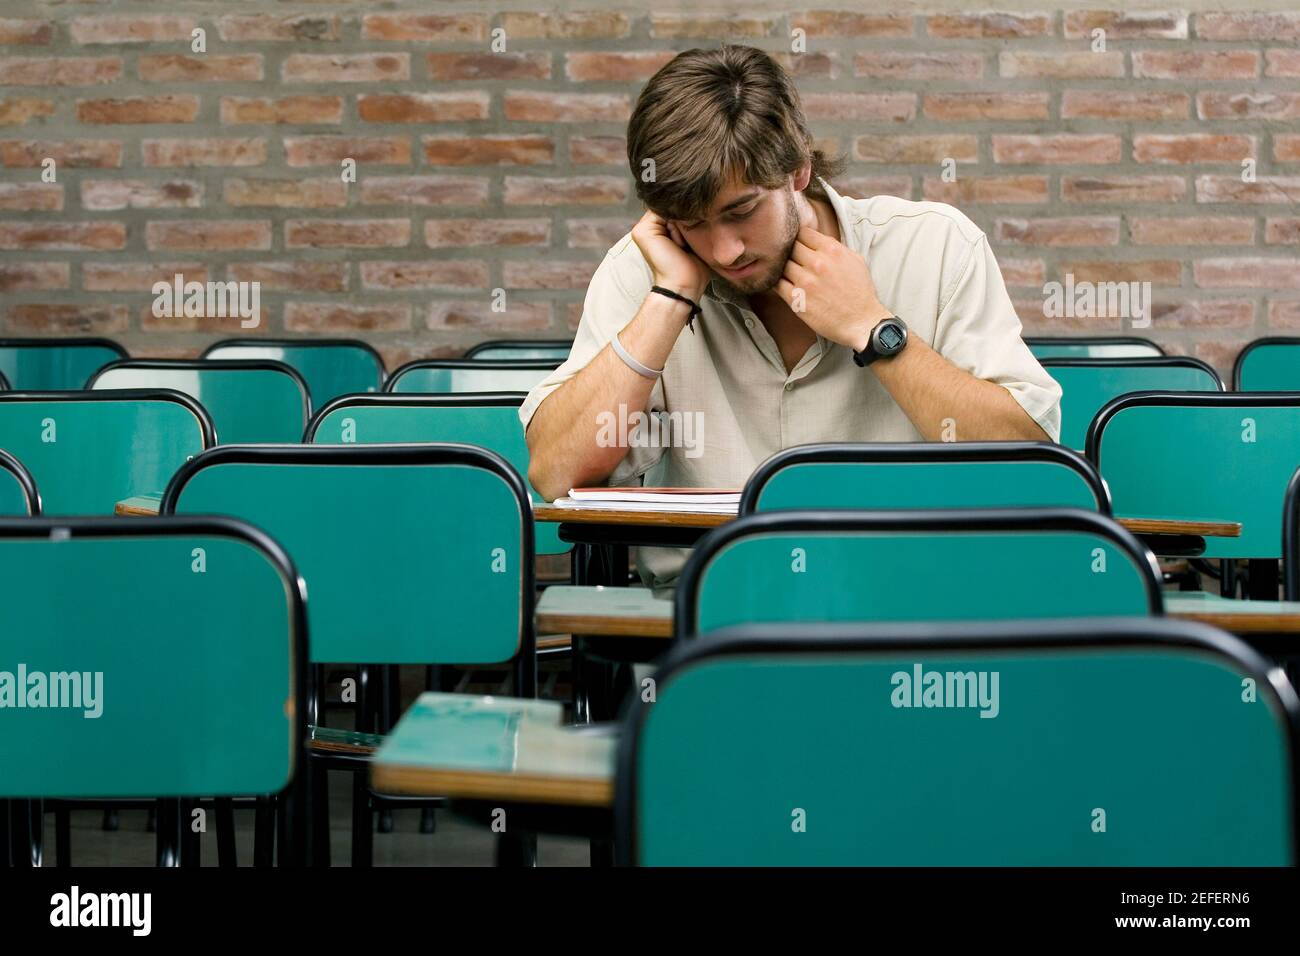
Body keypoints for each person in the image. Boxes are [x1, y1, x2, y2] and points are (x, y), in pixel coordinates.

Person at [521, 44, 1062, 595]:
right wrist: (668, 299)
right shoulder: (642, 271)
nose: (724, 249)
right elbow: (555, 473)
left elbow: (1034, 469)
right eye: (693, 224)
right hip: (712, 621)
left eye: (741, 211)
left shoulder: (938, 246)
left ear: (798, 168)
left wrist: (874, 330)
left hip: (910, 607)